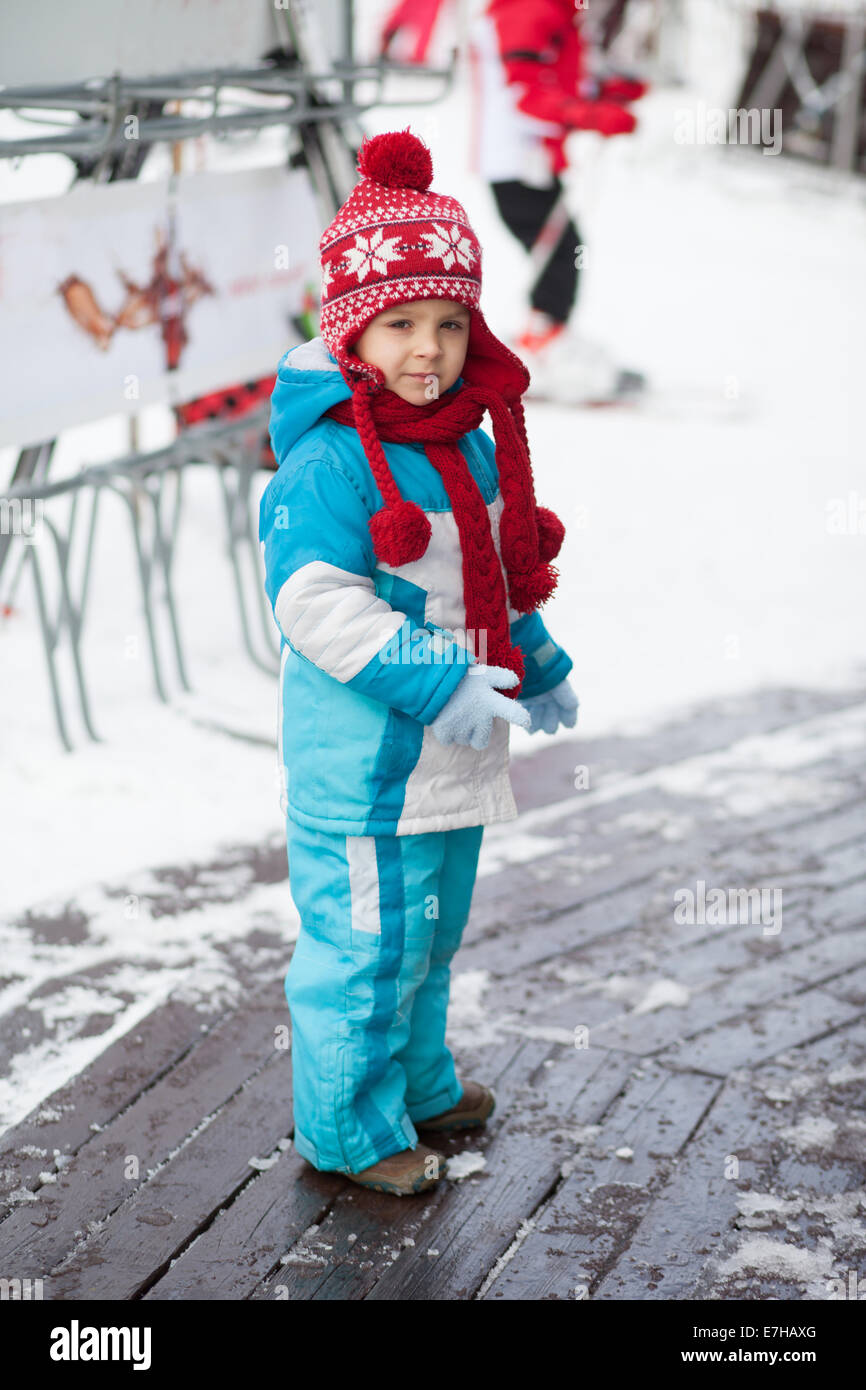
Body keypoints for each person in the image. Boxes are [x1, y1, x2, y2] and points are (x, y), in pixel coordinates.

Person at [259, 128, 579, 1196]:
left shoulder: (462, 441)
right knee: (363, 955)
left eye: (447, 321)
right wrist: (437, 680)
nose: (428, 347)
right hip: (366, 771)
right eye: (399, 323)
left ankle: (418, 1082)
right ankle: (349, 1129)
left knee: (426, 943)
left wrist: (534, 661)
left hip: (450, 764)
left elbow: (487, 574)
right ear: (350, 328)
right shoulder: (327, 462)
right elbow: (313, 603)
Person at [467, 0, 648, 402]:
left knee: (559, 250)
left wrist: (601, 92)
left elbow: (554, 79)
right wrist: (588, 114)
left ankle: (544, 336)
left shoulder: (552, 11)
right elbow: (522, 95)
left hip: (534, 160)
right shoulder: (526, 10)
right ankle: (543, 347)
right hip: (514, 161)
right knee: (561, 251)